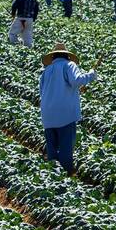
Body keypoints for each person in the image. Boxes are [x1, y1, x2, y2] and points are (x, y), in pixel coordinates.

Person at [38, 43, 97, 175]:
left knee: (52, 147)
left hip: (47, 113)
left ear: (53, 56)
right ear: (67, 56)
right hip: (65, 113)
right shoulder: (69, 65)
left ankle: (52, 175)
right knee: (65, 146)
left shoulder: (46, 71)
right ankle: (65, 176)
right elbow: (77, 80)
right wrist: (91, 75)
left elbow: (42, 91)